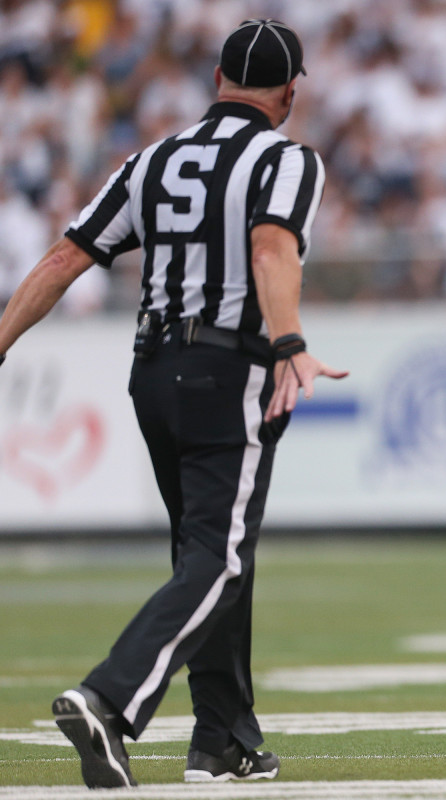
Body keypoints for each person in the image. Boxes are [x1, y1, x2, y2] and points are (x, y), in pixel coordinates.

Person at [0, 19, 346, 788]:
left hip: (152, 370)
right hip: (230, 367)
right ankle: (109, 699)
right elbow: (269, 247)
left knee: (207, 553)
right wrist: (288, 341)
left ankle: (223, 739)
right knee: (220, 559)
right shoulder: (287, 159)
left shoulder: (153, 157)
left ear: (218, 79)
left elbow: (64, 257)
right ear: (288, 94)